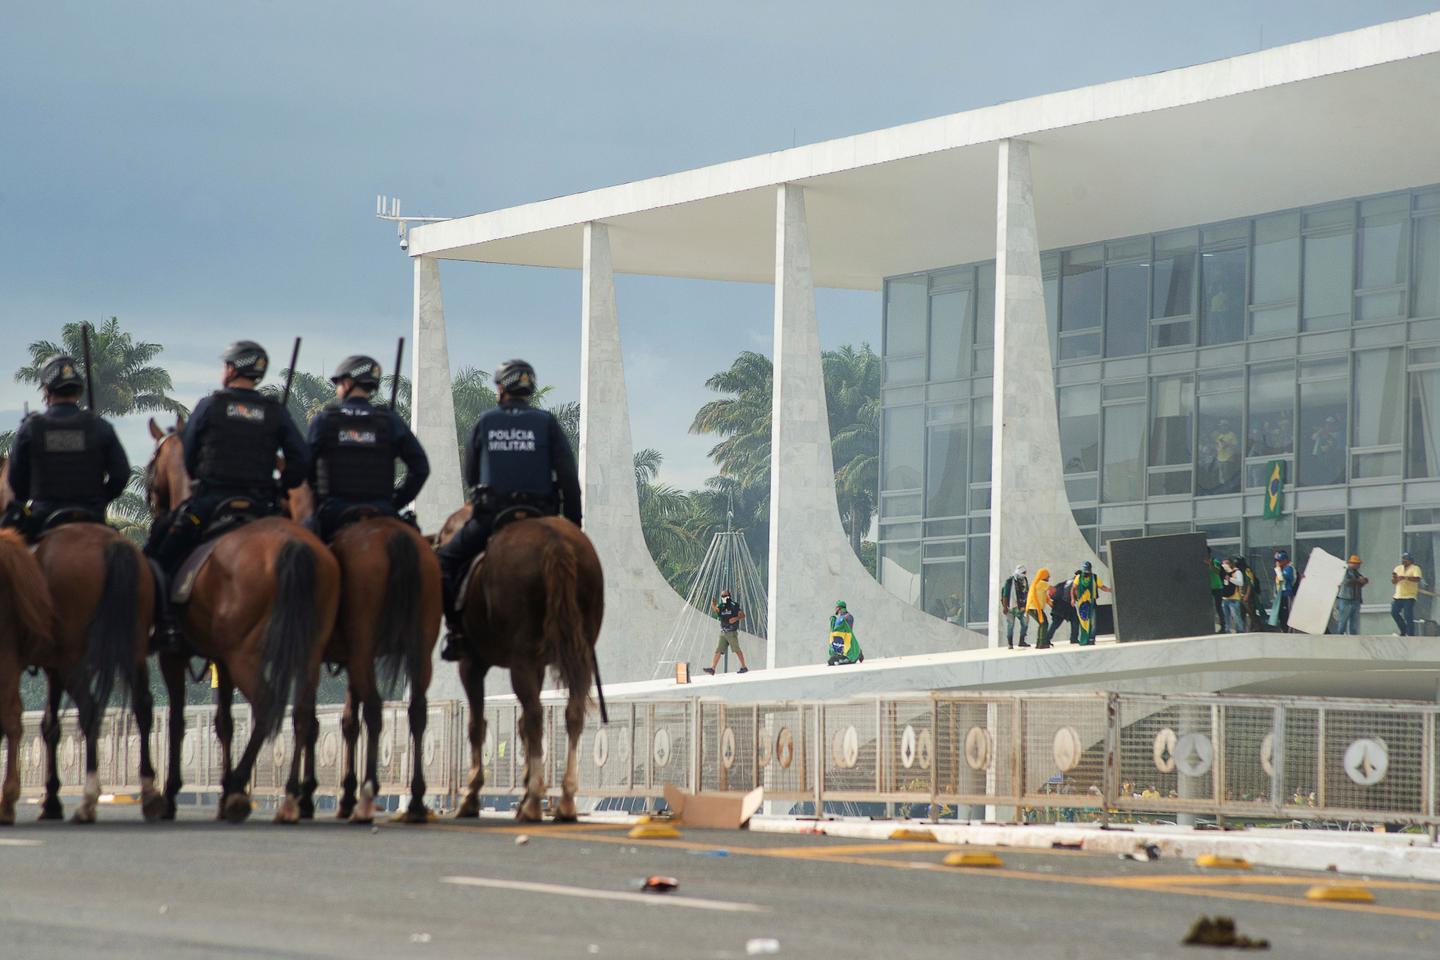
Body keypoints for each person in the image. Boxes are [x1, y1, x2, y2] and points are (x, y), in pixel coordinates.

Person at [437, 359, 581, 662]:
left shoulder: (486, 421)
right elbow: (568, 478)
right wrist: (573, 526)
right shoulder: (547, 423)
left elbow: (472, 475)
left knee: (443, 561)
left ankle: (455, 632)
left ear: (501, 388)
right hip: (541, 516)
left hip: (493, 518)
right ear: (529, 389)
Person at [146, 341, 309, 579]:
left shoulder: (209, 406)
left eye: (225, 366)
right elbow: (301, 458)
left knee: (158, 552)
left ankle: (163, 612)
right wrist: (281, 488)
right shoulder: (274, 411)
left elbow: (186, 456)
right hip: (262, 506)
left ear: (232, 369)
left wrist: (198, 481)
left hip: (210, 504)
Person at [0, 355, 129, 541]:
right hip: (92, 517)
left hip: (41, 520)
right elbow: (121, 475)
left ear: (46, 391)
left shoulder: (30, 428)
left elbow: (17, 483)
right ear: (79, 390)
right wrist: (100, 499)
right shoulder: (101, 426)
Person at [306, 354, 429, 542]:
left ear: (347, 384)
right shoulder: (389, 421)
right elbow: (420, 468)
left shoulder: (325, 420)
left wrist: (316, 499)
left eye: (338, 383)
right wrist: (396, 502)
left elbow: (304, 466)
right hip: (381, 510)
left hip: (333, 512)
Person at [704, 588, 748, 675]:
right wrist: (713, 605)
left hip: (731, 632)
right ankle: (713, 668)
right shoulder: (721, 606)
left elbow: (743, 615)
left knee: (736, 650)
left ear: (729, 596)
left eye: (725, 596)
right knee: (718, 650)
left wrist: (736, 618)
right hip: (723, 632)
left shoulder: (733, 605)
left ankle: (744, 667)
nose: (723, 597)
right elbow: (717, 611)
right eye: (722, 596)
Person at [1070, 560, 1110, 646]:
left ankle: (1091, 639)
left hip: (1092, 603)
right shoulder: (1078, 577)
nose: (1086, 572)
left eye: (1087, 570)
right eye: (1085, 570)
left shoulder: (1094, 578)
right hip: (1081, 603)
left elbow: (1102, 587)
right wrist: (1072, 599)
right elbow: (1073, 588)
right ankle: (1084, 640)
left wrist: (1111, 590)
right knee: (1084, 622)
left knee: (1093, 622)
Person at [1392, 551, 1425, 637]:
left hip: (1409, 596)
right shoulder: (1398, 568)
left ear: (1410, 560)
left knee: (1408, 615)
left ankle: (1410, 634)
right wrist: (1396, 579)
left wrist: (1405, 578)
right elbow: (1393, 580)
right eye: (1403, 559)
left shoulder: (1415, 568)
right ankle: (1403, 629)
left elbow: (1417, 579)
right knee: (1394, 612)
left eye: (1406, 559)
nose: (1404, 561)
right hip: (1398, 595)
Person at [998, 564, 1030, 649]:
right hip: (1010, 608)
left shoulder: (1024, 580)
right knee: (1010, 626)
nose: (1025, 574)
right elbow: (1005, 594)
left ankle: (1022, 641)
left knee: (1025, 623)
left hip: (1021, 607)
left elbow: (1026, 592)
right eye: (1023, 572)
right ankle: (1010, 644)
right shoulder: (1010, 581)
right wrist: (1005, 607)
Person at [1334, 554, 1367, 636]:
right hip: (1346, 599)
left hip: (1355, 600)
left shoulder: (1357, 573)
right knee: (1343, 620)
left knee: (1354, 621)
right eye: (1356, 563)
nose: (1358, 565)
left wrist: (1363, 581)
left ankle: (1353, 636)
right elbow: (1346, 582)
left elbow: (1360, 583)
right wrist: (1357, 580)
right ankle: (1340, 635)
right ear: (1350, 563)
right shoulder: (1345, 572)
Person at [1046, 572, 1080, 646]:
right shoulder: (1076, 583)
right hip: (1065, 605)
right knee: (1075, 621)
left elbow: (1053, 590)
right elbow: (1076, 593)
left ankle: (1046, 639)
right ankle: (1074, 639)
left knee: (1055, 624)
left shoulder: (1067, 582)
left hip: (1059, 604)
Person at [827, 601, 862, 665]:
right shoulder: (839, 617)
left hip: (845, 638)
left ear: (840, 608)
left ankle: (857, 653)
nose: (836, 609)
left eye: (837, 607)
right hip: (839, 638)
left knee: (846, 650)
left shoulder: (848, 616)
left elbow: (848, 630)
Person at [1269, 550, 1297, 631]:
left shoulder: (1289, 569)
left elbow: (1282, 579)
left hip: (1287, 594)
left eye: (1279, 561)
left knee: (1286, 614)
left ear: (1285, 560)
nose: (1278, 563)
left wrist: (1278, 569)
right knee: (1281, 614)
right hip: (1280, 595)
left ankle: (1288, 630)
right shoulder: (1282, 569)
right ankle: (1283, 628)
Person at [1026, 567, 1052, 649]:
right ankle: (1041, 643)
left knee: (1042, 624)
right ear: (1044, 576)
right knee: (1044, 624)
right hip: (1035, 608)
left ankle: (1040, 643)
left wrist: (1051, 603)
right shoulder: (1042, 583)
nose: (1048, 578)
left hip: (1032, 608)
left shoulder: (1036, 583)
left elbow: (1044, 597)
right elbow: (1053, 590)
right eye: (1048, 576)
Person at [1220, 558, 1244, 634]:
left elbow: (1240, 583)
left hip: (1234, 598)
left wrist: (1230, 579)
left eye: (1226, 564)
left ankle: (1240, 630)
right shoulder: (1223, 573)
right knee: (1226, 616)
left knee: (1236, 616)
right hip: (1225, 598)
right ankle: (1227, 629)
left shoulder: (1237, 572)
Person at [1205, 546, 1225, 632]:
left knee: (1218, 607)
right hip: (1208, 588)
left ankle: (1223, 627)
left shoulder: (1214, 561)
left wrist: (1210, 564)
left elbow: (1218, 571)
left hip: (1217, 587)